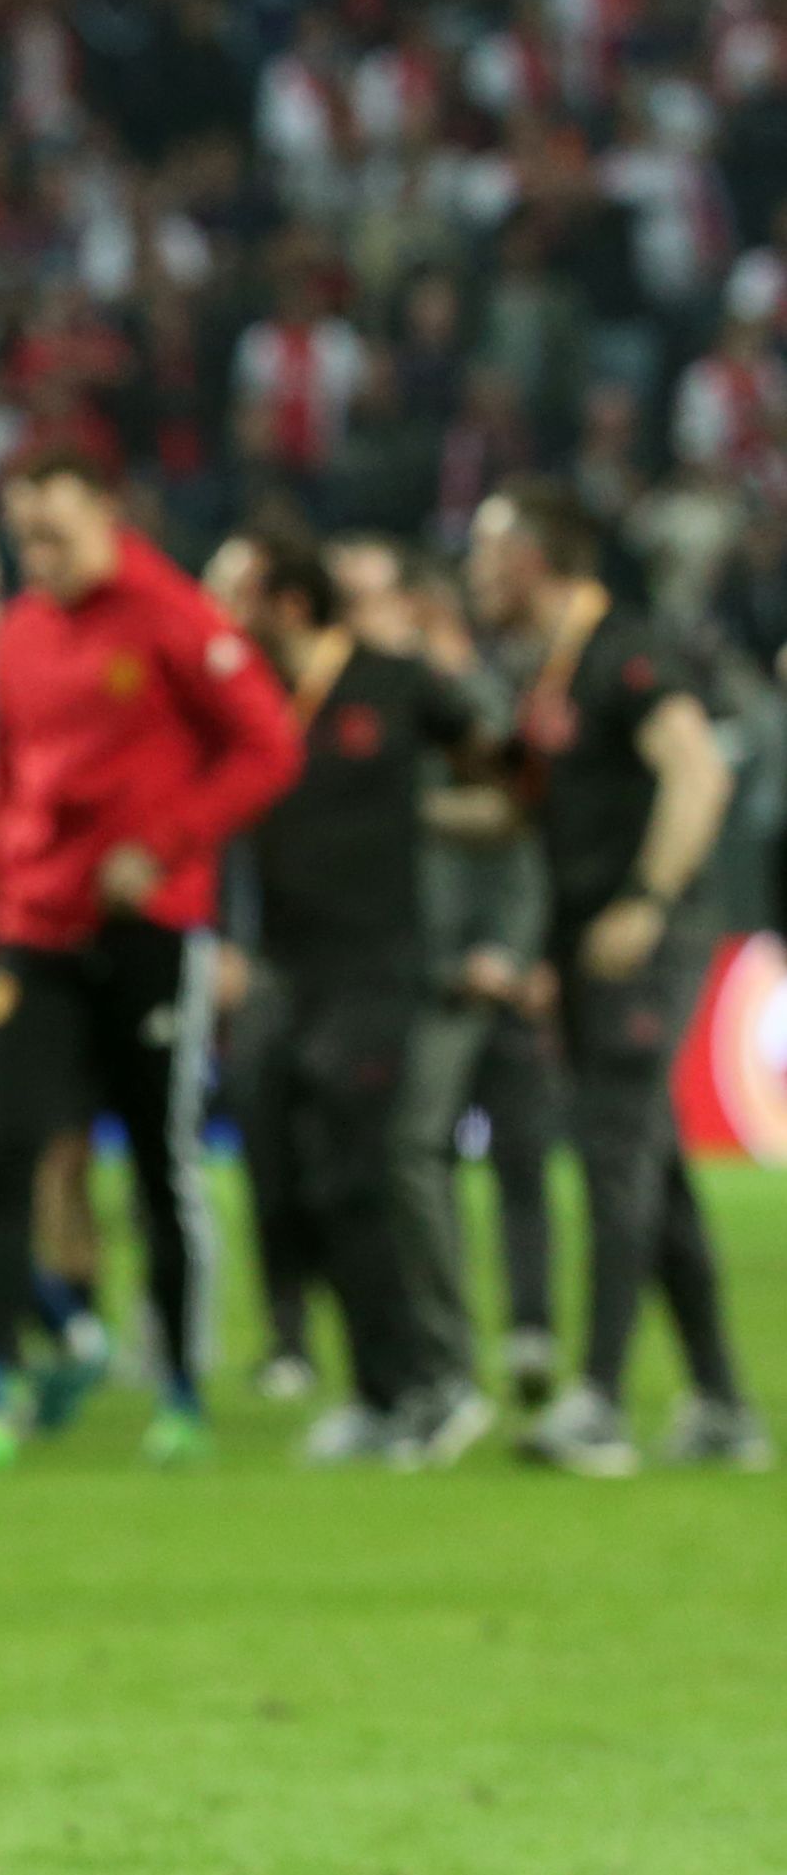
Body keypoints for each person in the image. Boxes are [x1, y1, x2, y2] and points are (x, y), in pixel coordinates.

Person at [0, 456, 303, 1469]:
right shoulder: (17, 636)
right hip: (35, 931)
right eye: (24, 536)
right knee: (5, 1150)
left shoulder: (176, 617)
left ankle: (180, 1389)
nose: (37, 555)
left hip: (147, 934)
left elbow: (267, 747)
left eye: (55, 533)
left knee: (156, 1164)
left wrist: (172, 843)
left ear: (107, 515)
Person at [482, 481, 764, 1473]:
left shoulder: (626, 653)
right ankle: (725, 1405)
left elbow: (699, 771)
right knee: (653, 1162)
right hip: (590, 939)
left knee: (614, 1155)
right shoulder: (551, 672)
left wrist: (646, 901)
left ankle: (599, 1397)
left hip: (644, 938)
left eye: (489, 550)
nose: (478, 572)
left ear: (532, 558)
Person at [225, 530, 492, 1465]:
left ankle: (431, 1387)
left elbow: (497, 773)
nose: (221, 622)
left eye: (237, 599)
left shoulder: (394, 679)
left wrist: (441, 826)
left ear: (288, 606)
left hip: (377, 968)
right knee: (299, 1179)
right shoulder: (253, 700)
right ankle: (382, 1391)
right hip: (291, 969)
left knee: (360, 1171)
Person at [378, 538, 562, 1416]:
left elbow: (523, 819)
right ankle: (488, 1341)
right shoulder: (402, 704)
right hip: (432, 958)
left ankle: (491, 1345)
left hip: (475, 961)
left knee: (480, 1147)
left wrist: (517, 950)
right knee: (444, 1149)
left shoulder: (465, 702)